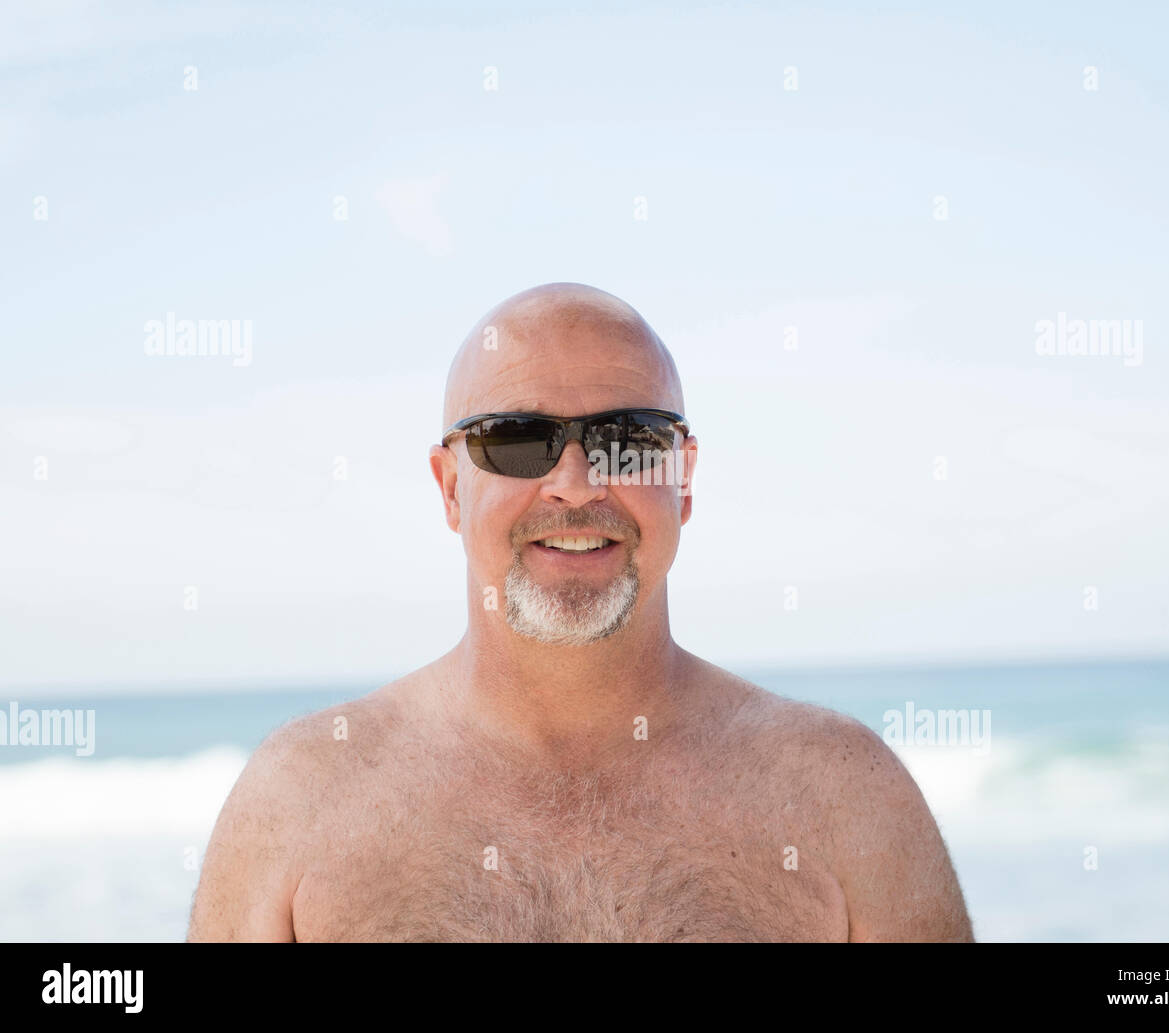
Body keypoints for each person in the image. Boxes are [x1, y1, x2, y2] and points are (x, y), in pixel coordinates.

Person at [187, 282, 974, 942]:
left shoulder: (844, 796)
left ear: (684, 478)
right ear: (451, 487)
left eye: (628, 439)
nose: (573, 481)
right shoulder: (299, 799)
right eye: (516, 439)